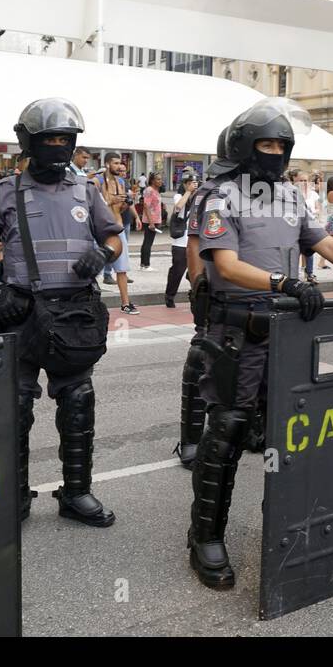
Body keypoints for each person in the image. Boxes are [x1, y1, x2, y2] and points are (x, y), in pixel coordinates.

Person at [187, 99, 333, 588]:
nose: (276, 152)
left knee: (294, 430)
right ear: (243, 147)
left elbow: (322, 242)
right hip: (240, 328)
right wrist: (285, 283)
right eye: (267, 143)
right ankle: (204, 537)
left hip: (289, 329)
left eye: (283, 145)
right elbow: (226, 264)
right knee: (229, 430)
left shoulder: (288, 195)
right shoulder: (218, 195)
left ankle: (288, 526)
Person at [0, 98, 123, 526]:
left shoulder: (86, 191)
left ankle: (76, 493)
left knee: (78, 404)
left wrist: (102, 254)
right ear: (29, 143)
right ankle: (15, 494)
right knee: (15, 408)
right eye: (49, 139)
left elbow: (114, 237)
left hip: (74, 316)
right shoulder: (4, 192)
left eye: (64, 139)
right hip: (19, 313)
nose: (58, 146)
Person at [176, 129, 237, 469]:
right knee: (203, 356)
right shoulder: (210, 192)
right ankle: (192, 438)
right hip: (217, 288)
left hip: (252, 289)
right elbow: (195, 243)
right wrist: (199, 288)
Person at [94, 155, 138, 313]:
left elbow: (119, 208)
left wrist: (126, 204)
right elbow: (91, 204)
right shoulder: (97, 181)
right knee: (93, 269)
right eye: (116, 163)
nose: (119, 166)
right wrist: (109, 202)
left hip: (117, 227)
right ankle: (89, 303)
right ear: (107, 164)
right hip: (100, 231)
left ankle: (125, 303)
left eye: (121, 163)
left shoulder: (120, 182)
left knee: (122, 269)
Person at [164, 172, 199, 308]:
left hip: (195, 240)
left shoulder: (199, 197)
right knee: (177, 270)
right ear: (184, 184)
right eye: (190, 183)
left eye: (195, 182)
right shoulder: (179, 196)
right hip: (181, 241)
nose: (193, 185)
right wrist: (188, 192)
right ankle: (170, 295)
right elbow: (178, 207)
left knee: (196, 270)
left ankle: (195, 296)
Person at [139, 171, 163, 270]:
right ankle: (146, 264)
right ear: (152, 180)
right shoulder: (149, 190)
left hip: (155, 219)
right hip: (150, 220)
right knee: (148, 242)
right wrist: (151, 222)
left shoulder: (156, 190)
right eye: (158, 179)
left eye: (161, 179)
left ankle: (143, 264)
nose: (160, 181)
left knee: (147, 242)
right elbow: (146, 206)